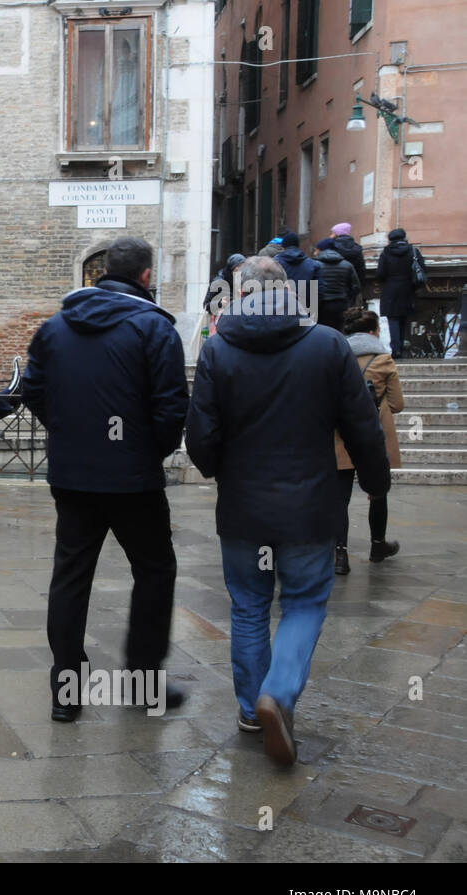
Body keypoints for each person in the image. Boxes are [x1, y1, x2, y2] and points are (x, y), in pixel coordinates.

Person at [185, 257, 389, 766]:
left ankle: (254, 709)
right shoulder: (327, 345)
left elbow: (201, 437)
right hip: (310, 506)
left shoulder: (219, 349)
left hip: (244, 508)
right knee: (302, 603)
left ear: (242, 291)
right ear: (288, 290)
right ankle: (278, 692)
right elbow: (362, 424)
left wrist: (215, 469)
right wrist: (375, 479)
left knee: (250, 605)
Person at [21, 236, 189, 722]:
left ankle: (66, 692)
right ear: (145, 276)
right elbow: (171, 406)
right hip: (134, 479)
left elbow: (31, 391)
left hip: (73, 475)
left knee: (71, 577)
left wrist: (71, 435)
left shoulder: (55, 328)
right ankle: (142, 683)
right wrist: (145, 451)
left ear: (102, 272)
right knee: (155, 572)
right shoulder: (155, 329)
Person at [335, 310, 404, 574]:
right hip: (374, 436)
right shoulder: (384, 361)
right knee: (377, 492)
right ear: (374, 331)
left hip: (341, 434)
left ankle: (339, 554)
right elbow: (398, 403)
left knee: (339, 496)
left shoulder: (337, 356)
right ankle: (377, 545)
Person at [376, 228, 425, 359]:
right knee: (404, 318)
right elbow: (422, 268)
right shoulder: (413, 251)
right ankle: (401, 347)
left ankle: (395, 349)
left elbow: (380, 273)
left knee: (393, 319)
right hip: (408, 288)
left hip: (390, 289)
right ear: (404, 237)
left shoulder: (386, 252)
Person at [316, 243, 362, 332]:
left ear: (320, 250)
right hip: (341, 303)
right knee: (340, 330)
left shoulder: (315, 264)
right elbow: (356, 287)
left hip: (322, 305)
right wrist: (348, 299)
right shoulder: (347, 265)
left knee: (322, 331)